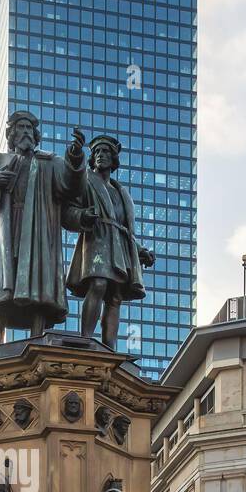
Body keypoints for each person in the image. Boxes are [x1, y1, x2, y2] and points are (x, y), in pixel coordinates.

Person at [0, 111, 88, 341]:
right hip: (5, 228)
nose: (25, 132)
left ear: (35, 136)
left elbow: (72, 187)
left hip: (39, 229)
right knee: (3, 281)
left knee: (38, 279)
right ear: (11, 135)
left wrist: (74, 158)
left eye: (28, 129)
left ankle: (38, 335)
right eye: (20, 128)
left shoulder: (50, 162)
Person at [65, 134, 154, 350]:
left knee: (115, 297)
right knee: (98, 284)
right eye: (97, 152)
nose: (101, 156)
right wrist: (82, 217)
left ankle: (109, 347)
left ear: (114, 159)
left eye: (105, 152)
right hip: (97, 238)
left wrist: (140, 250)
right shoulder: (86, 181)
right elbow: (69, 209)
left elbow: (127, 228)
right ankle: (86, 338)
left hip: (120, 245)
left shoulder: (122, 192)